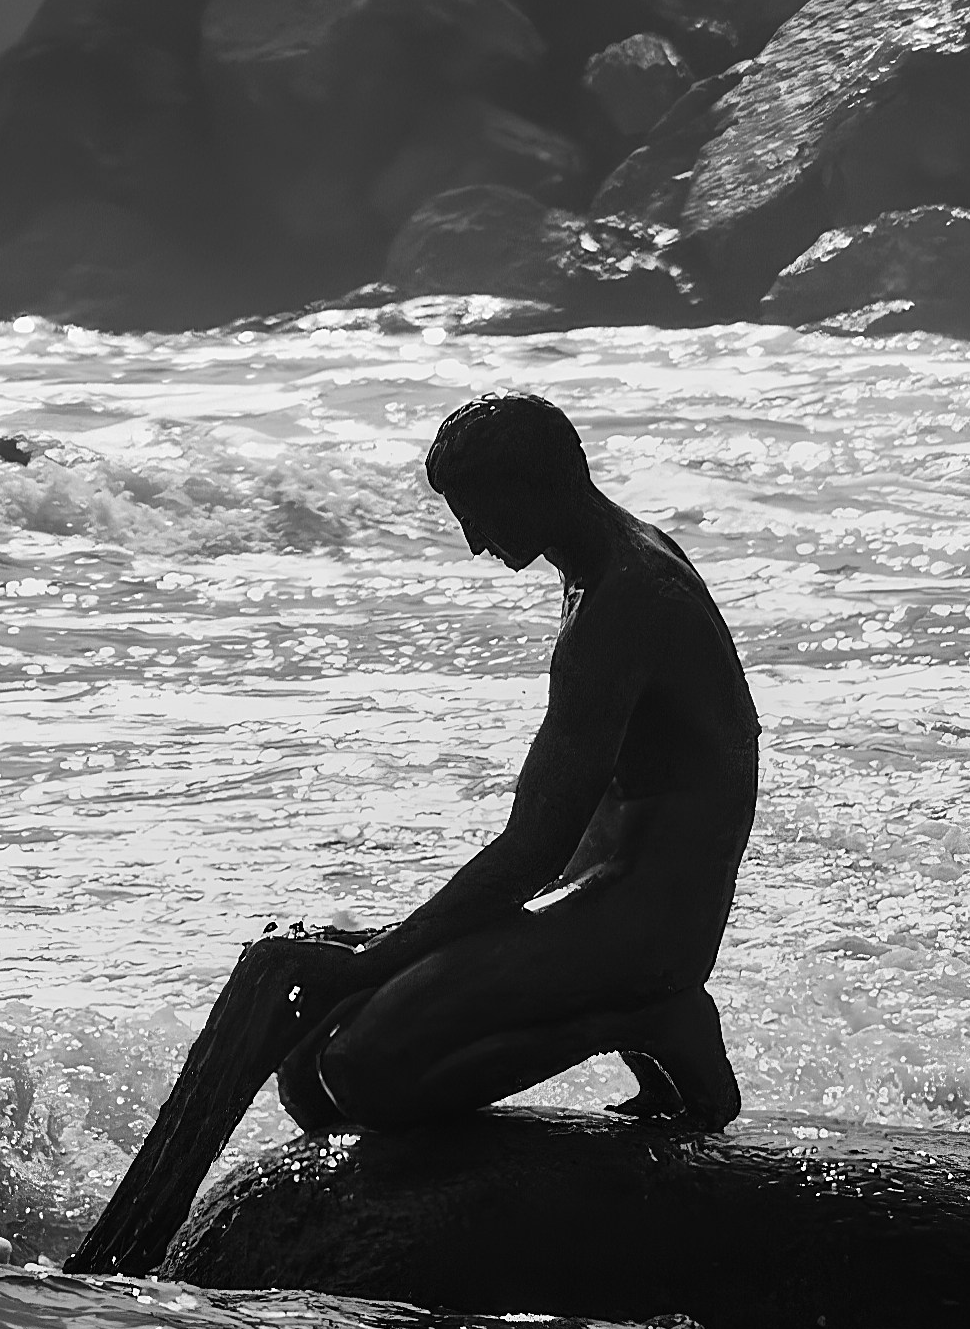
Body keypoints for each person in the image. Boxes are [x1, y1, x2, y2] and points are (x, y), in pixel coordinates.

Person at [265, 391, 759, 1134]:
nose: (472, 541)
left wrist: (376, 960)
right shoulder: (607, 557)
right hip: (602, 881)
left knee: (360, 1074)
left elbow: (532, 847)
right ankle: (637, 1009)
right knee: (305, 1059)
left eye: (478, 511)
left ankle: (648, 1017)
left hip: (650, 917)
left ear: (539, 488)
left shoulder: (624, 602)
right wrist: (387, 951)